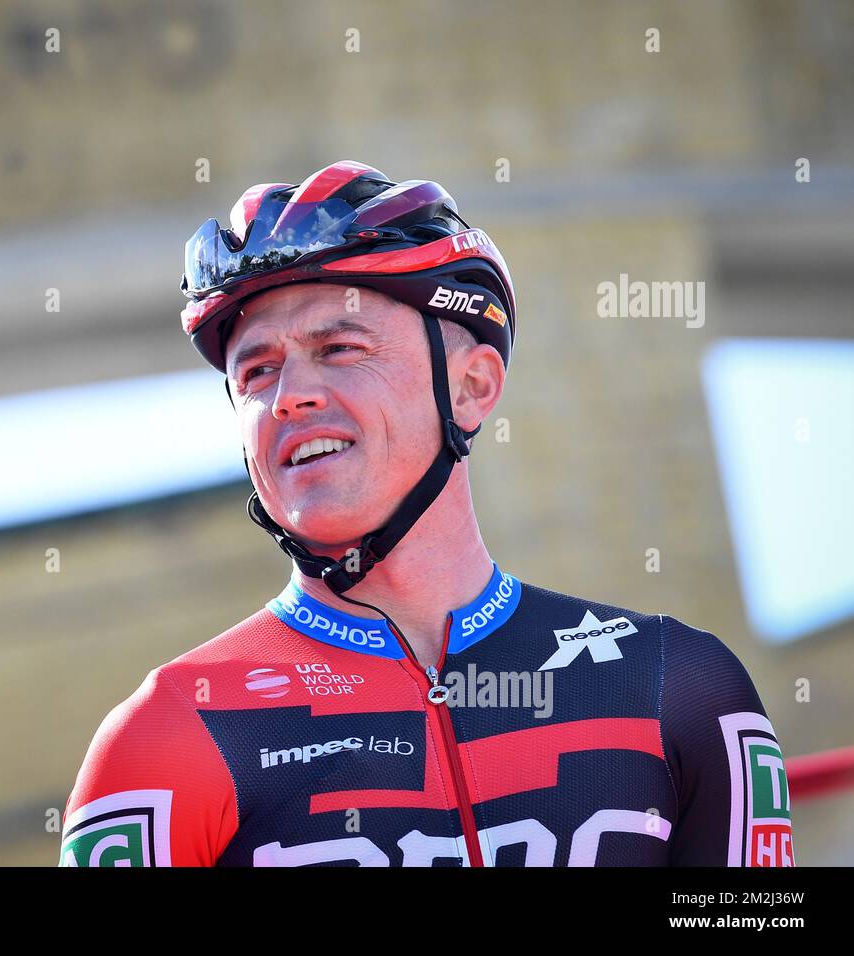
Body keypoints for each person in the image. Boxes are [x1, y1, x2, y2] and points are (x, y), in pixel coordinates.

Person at [58, 160, 795, 867]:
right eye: (256, 370)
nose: (288, 395)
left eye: (339, 347)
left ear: (472, 388)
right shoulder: (167, 737)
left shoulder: (678, 686)